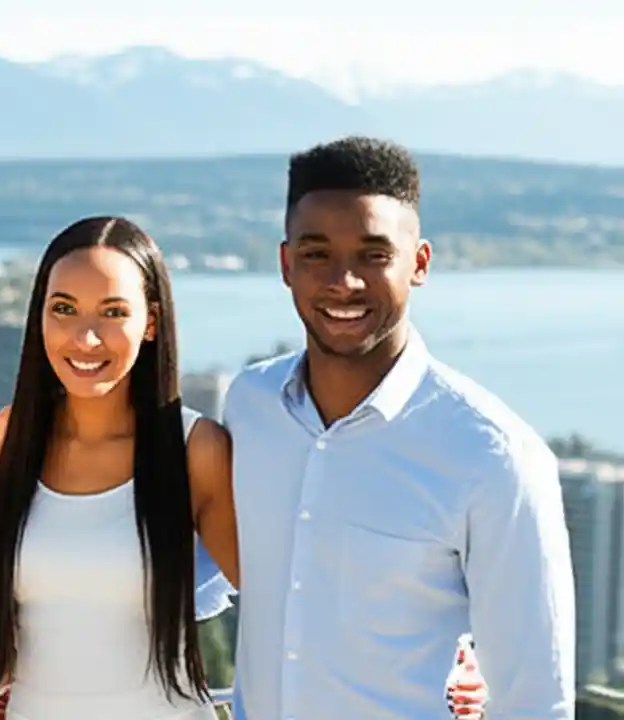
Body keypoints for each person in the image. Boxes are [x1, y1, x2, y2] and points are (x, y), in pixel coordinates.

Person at [224, 136, 575, 718]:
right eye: (317, 254)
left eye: (373, 255)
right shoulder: (250, 405)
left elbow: (537, 699)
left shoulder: (494, 455)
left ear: (419, 264)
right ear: (286, 264)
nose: (344, 282)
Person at [0, 216, 240, 720]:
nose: (86, 337)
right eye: (64, 309)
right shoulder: (11, 440)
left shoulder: (196, 449)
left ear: (150, 323)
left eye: (113, 312)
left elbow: (275, 605)